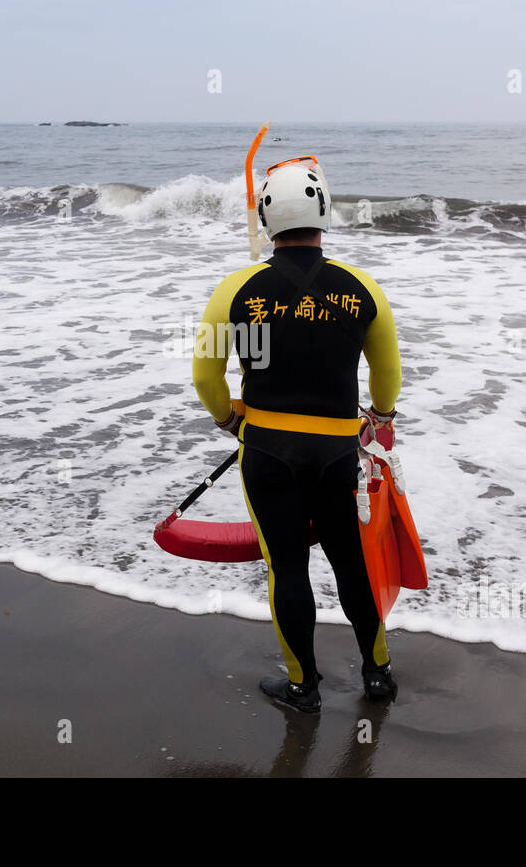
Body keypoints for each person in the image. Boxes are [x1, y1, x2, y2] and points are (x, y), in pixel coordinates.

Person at [191, 155, 403, 713]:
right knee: (350, 563)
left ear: (266, 218)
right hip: (337, 453)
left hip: (266, 450)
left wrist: (228, 420)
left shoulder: (235, 290)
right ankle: (377, 674)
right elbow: (388, 379)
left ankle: (303, 687)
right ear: (324, 211)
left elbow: (204, 375)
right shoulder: (362, 289)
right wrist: (380, 418)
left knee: (287, 566)